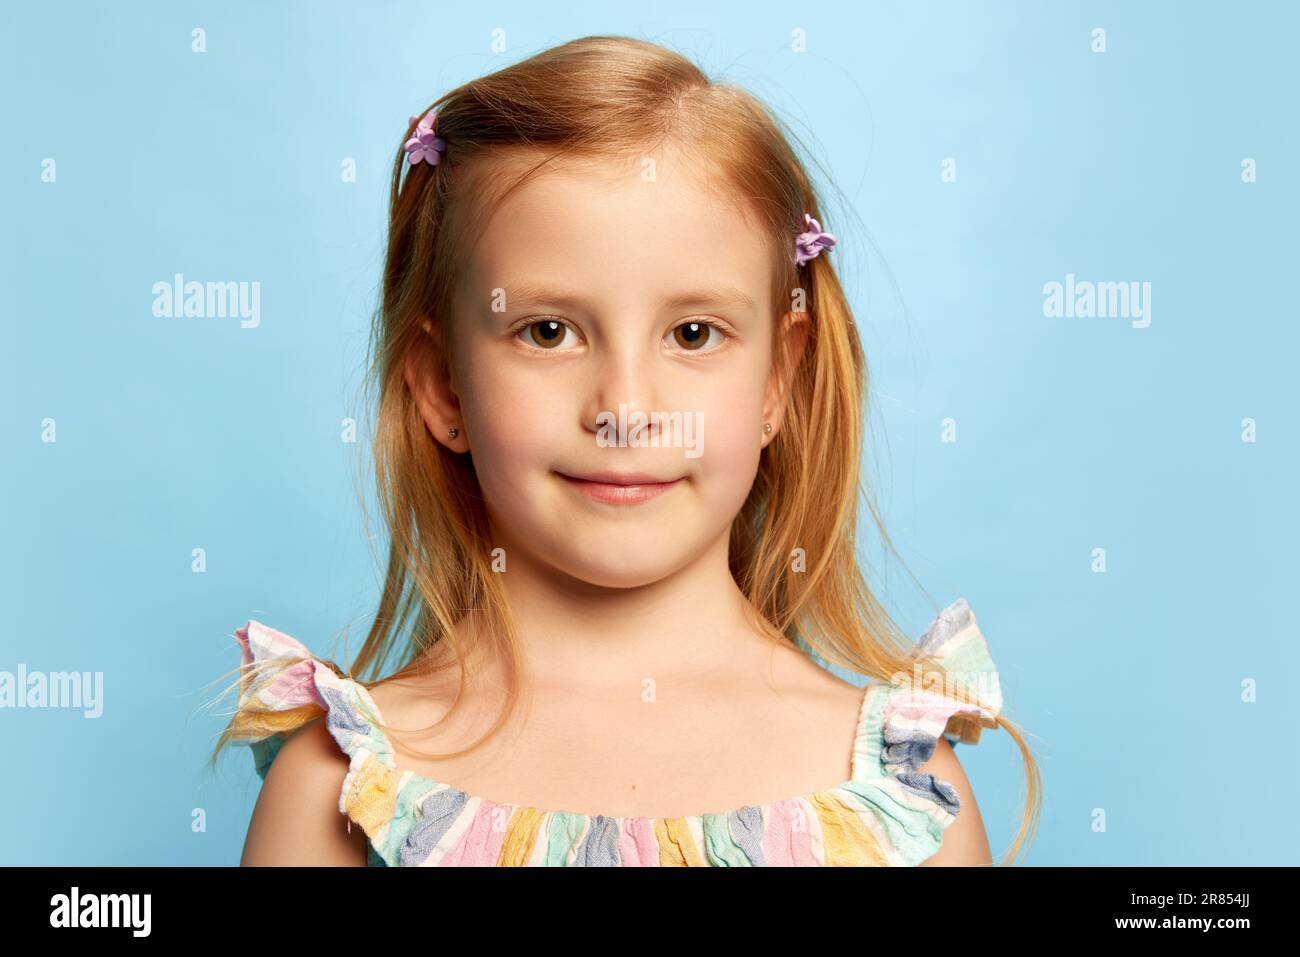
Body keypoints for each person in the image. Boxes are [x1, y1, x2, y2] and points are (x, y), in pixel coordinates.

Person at [210, 34, 1040, 867]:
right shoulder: (344, 789)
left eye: (692, 332)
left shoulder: (903, 803)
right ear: (442, 387)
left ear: (777, 381)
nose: (626, 411)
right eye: (548, 330)